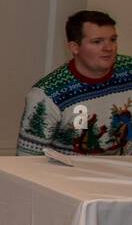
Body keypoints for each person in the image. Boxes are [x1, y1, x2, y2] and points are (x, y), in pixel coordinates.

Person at [18, 10, 130, 155]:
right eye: (97, 42)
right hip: (68, 175)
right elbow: (27, 161)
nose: (109, 48)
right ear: (74, 47)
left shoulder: (128, 72)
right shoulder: (47, 94)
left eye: (113, 40)